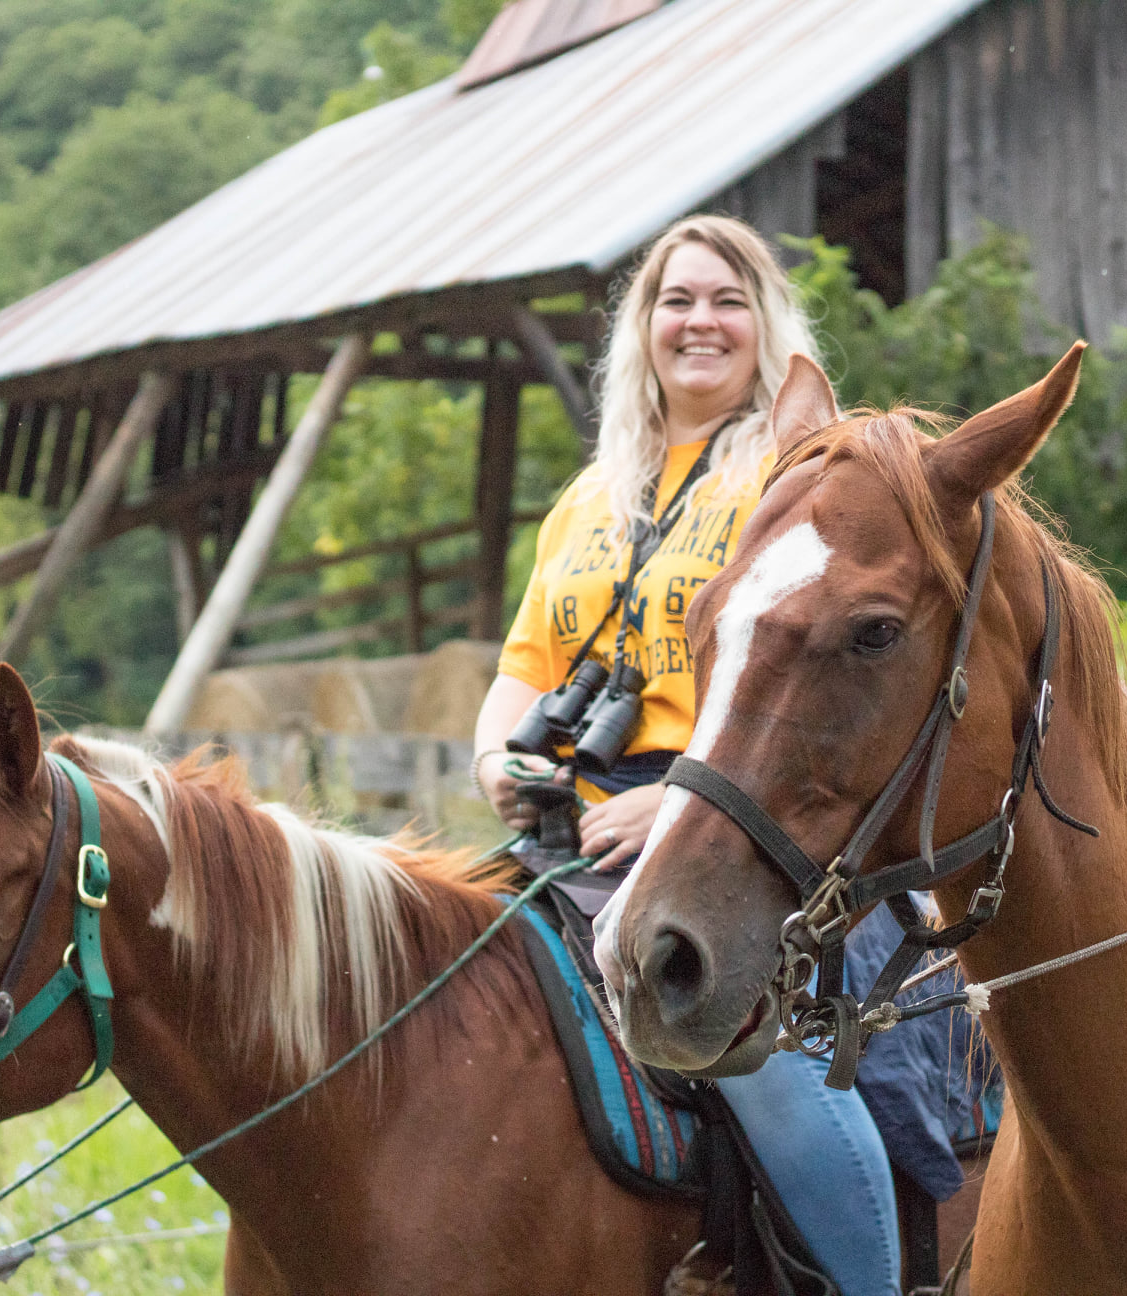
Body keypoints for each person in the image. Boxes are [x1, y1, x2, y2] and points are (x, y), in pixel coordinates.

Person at [471, 214, 903, 1295]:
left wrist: (671, 796)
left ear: (764, 323)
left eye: (726, 299)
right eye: (675, 301)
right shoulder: (588, 498)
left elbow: (810, 680)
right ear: (641, 329)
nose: (699, 322)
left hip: (750, 822)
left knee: (763, 1070)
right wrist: (497, 761)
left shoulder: (800, 474)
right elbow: (526, 668)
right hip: (570, 826)